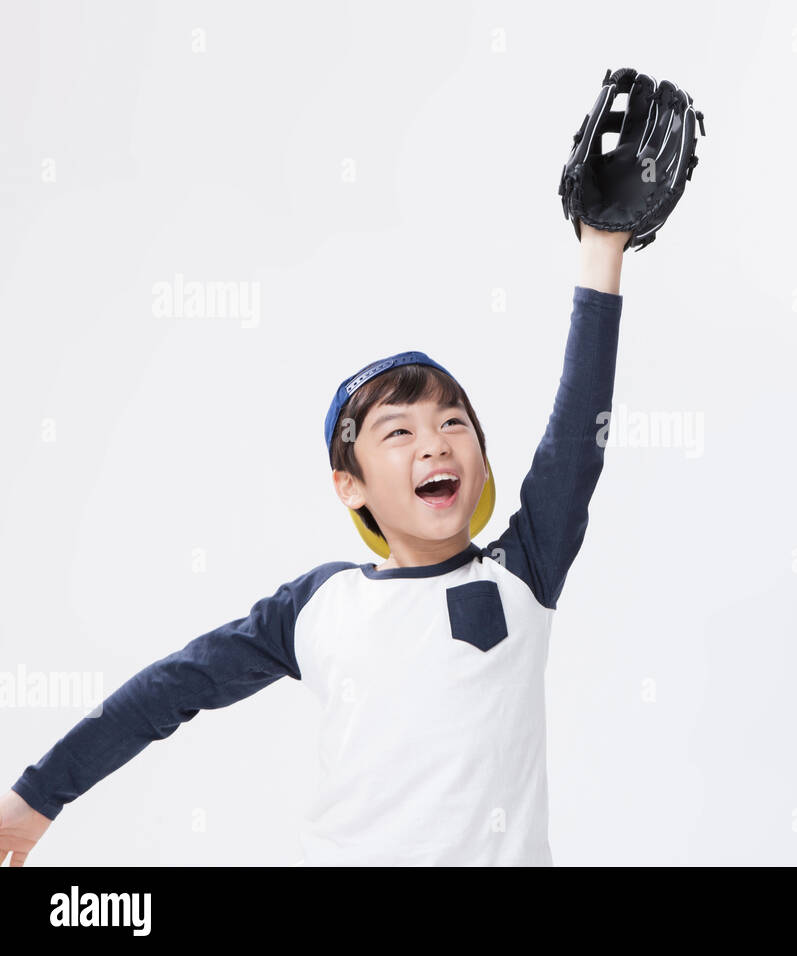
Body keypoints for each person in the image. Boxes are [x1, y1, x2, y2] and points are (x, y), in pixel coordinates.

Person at [0, 220, 632, 866]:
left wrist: (601, 247)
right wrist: (37, 796)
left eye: (451, 422)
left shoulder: (521, 572)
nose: (435, 442)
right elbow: (171, 688)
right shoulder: (320, 604)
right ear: (349, 485)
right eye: (398, 433)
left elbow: (577, 435)